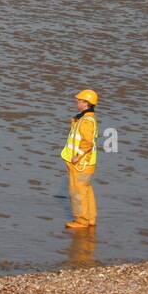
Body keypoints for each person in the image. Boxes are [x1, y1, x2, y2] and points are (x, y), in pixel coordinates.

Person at [61, 89, 99, 230]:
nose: (76, 102)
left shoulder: (86, 121)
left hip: (81, 163)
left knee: (77, 192)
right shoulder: (85, 118)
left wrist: (78, 156)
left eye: (79, 100)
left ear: (86, 103)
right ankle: (90, 218)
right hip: (85, 163)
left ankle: (81, 221)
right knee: (86, 190)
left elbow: (87, 142)